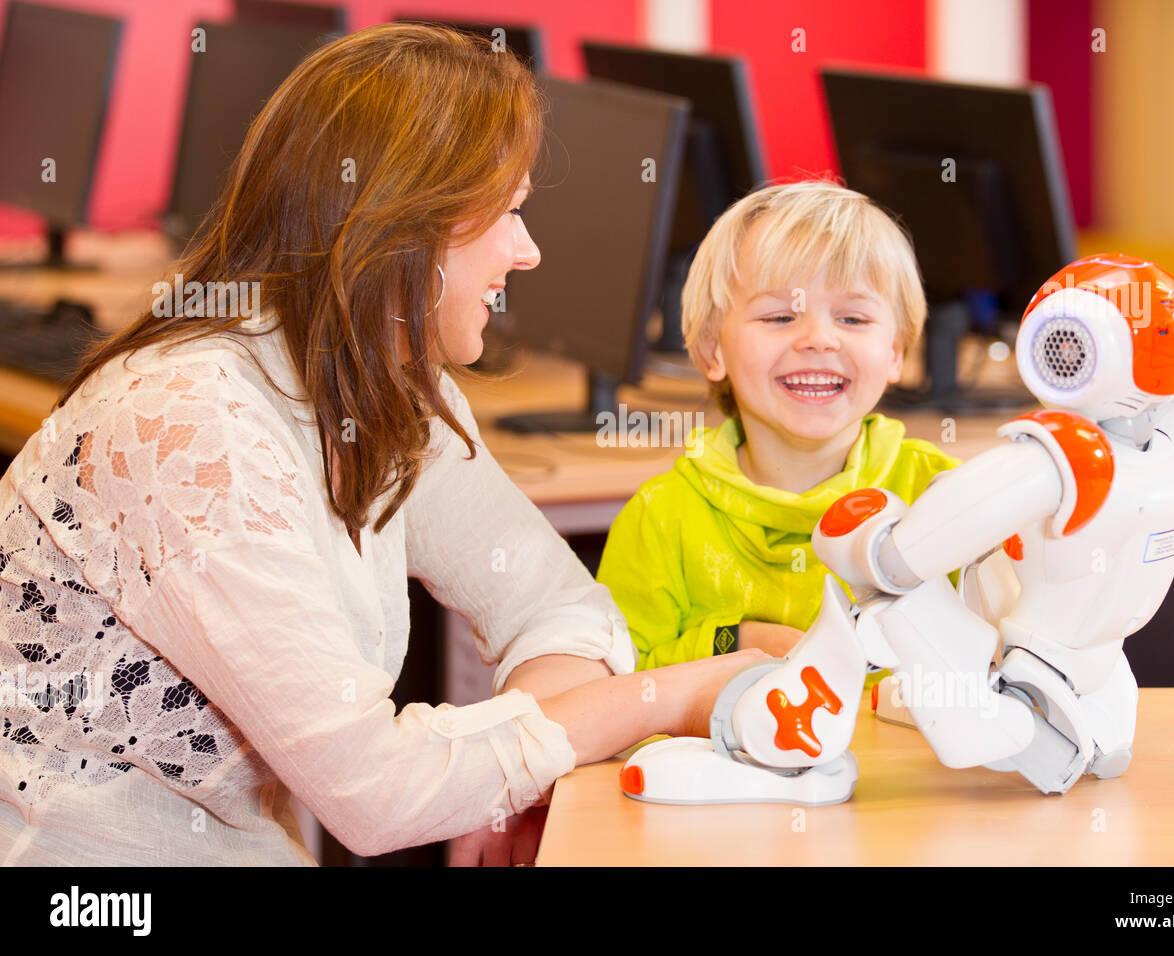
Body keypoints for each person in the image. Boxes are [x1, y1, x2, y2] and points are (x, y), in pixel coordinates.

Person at [0, 23, 764, 867]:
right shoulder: (192, 428)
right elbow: (378, 796)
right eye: (510, 212)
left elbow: (560, 611)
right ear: (408, 228)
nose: (529, 249)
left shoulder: (378, 383)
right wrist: (669, 695)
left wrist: (508, 773)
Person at [596, 180, 961, 672]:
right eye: (780, 316)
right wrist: (732, 642)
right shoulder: (660, 519)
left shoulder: (944, 497)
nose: (818, 339)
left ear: (895, 352)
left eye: (853, 319)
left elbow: (990, 667)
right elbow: (620, 687)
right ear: (712, 351)